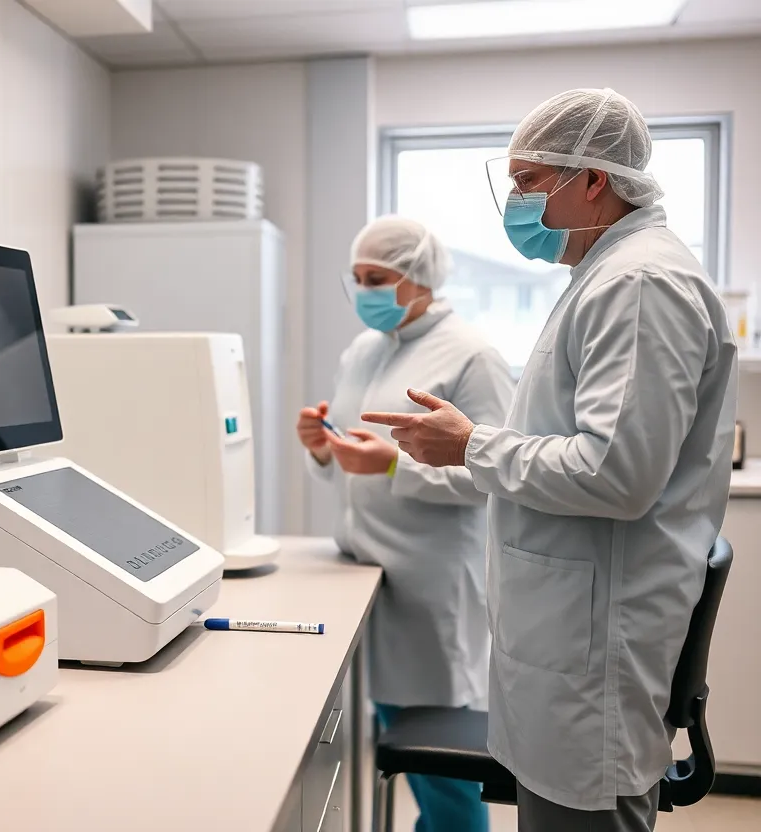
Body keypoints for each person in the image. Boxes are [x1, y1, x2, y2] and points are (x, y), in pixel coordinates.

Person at [363, 89, 738, 831]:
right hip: (569, 642)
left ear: (592, 178)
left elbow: (617, 474)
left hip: (592, 653)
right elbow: (565, 447)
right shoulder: (604, 277)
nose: (515, 201)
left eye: (529, 181)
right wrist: (453, 451)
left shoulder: (639, 284)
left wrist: (471, 442)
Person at [297, 216, 513, 832]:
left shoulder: (473, 357)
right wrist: (321, 447)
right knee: (397, 733)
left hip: (432, 586)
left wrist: (393, 464)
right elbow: (354, 450)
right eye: (357, 278)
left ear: (419, 279)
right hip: (365, 575)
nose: (364, 291)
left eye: (378, 278)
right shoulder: (364, 350)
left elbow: (489, 477)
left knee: (442, 774)